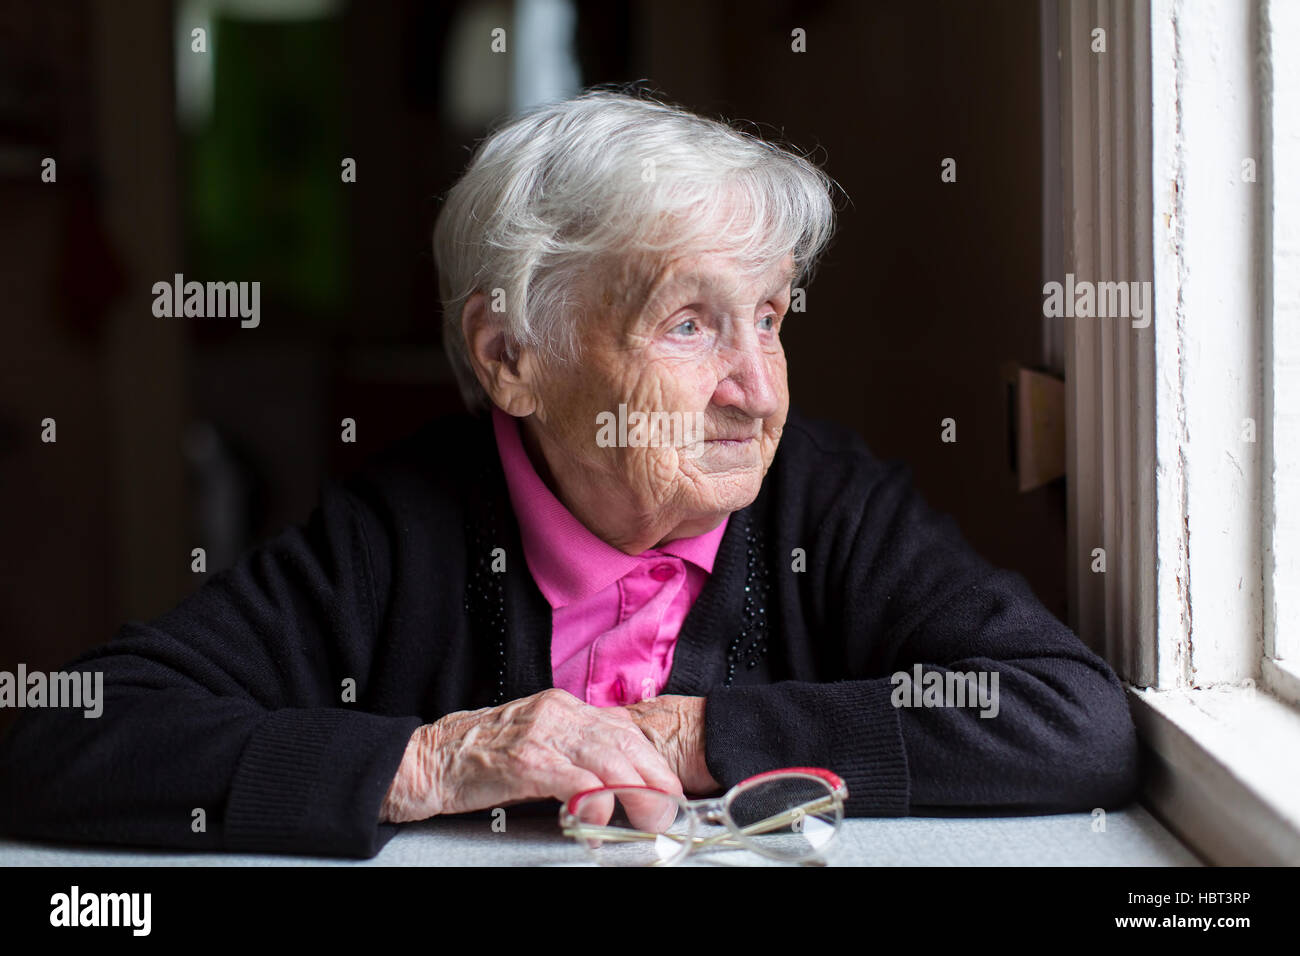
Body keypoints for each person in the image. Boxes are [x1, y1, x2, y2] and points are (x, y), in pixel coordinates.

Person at [0, 90, 1138, 858]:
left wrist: (689, 734)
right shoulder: (402, 531)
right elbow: (70, 733)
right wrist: (435, 759)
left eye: (771, 319)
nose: (757, 389)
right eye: (690, 324)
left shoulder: (824, 502)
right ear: (511, 357)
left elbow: (1072, 718)